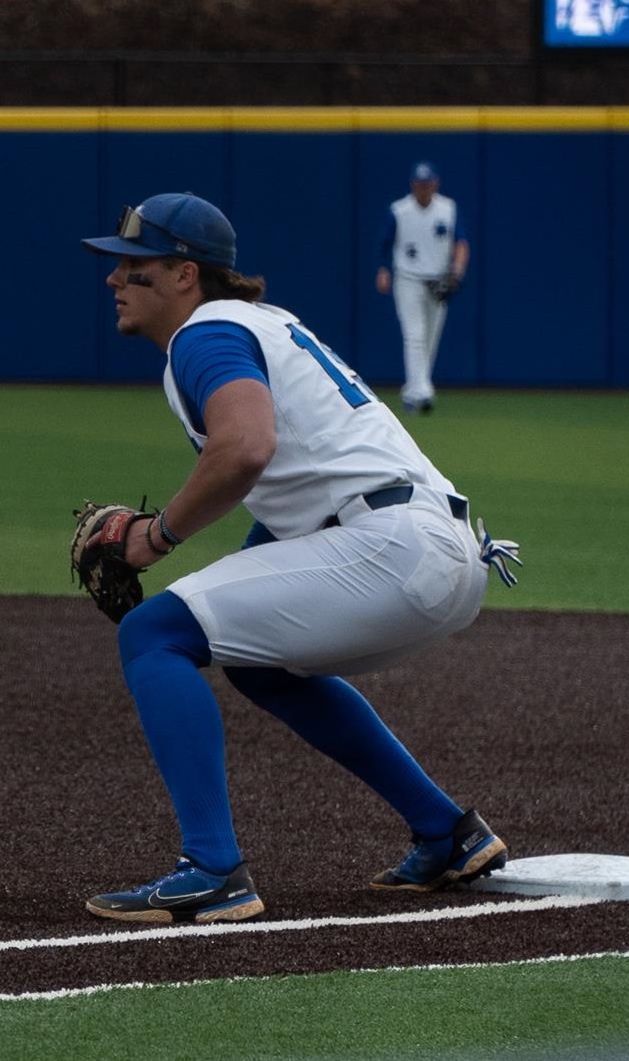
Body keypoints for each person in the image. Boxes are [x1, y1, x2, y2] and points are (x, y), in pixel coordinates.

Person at [77, 192, 520, 924]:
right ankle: (446, 831)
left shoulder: (207, 331)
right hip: (432, 546)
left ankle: (213, 869)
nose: (113, 278)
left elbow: (246, 448)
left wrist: (154, 537)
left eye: (134, 263)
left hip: (391, 545)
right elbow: (293, 513)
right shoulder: (265, 324)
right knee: (258, 661)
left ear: (185, 274)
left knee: (153, 634)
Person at [375, 162, 469, 415]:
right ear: (412, 185)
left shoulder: (448, 209)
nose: (424, 188)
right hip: (408, 279)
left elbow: (461, 242)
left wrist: (457, 271)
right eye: (420, 184)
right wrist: (384, 270)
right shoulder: (400, 210)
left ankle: (412, 391)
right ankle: (423, 393)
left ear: (435, 184)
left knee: (430, 338)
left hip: (438, 279)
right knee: (414, 335)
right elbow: (385, 244)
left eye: (428, 184)